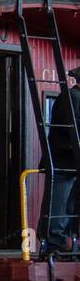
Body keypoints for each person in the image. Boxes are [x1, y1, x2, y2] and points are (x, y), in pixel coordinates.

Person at [41, 65, 80, 253]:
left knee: (69, 203)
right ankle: (55, 239)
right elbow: (70, 127)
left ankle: (64, 239)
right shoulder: (72, 97)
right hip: (63, 160)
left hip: (71, 161)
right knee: (59, 202)